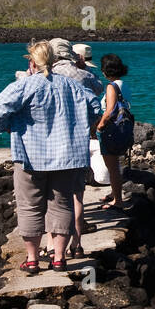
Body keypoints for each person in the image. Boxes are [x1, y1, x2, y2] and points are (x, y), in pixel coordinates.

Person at [0, 40, 101, 275]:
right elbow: (95, 108)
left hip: (30, 155)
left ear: (32, 62)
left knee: (30, 207)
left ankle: (32, 260)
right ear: (54, 60)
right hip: (67, 157)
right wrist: (82, 126)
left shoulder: (25, 85)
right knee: (62, 205)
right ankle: (59, 259)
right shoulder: (73, 85)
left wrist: (6, 126)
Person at [47, 38, 105, 255]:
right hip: (77, 141)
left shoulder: (43, 75)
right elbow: (98, 90)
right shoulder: (83, 75)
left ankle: (52, 247)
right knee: (77, 196)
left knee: (52, 197)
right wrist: (79, 68)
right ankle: (77, 245)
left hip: (51, 143)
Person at [95, 54, 132, 210]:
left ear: (105, 71)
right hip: (122, 129)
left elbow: (109, 110)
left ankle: (117, 200)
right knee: (114, 164)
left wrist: (100, 125)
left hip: (110, 130)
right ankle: (114, 192)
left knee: (112, 166)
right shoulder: (124, 85)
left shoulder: (111, 86)